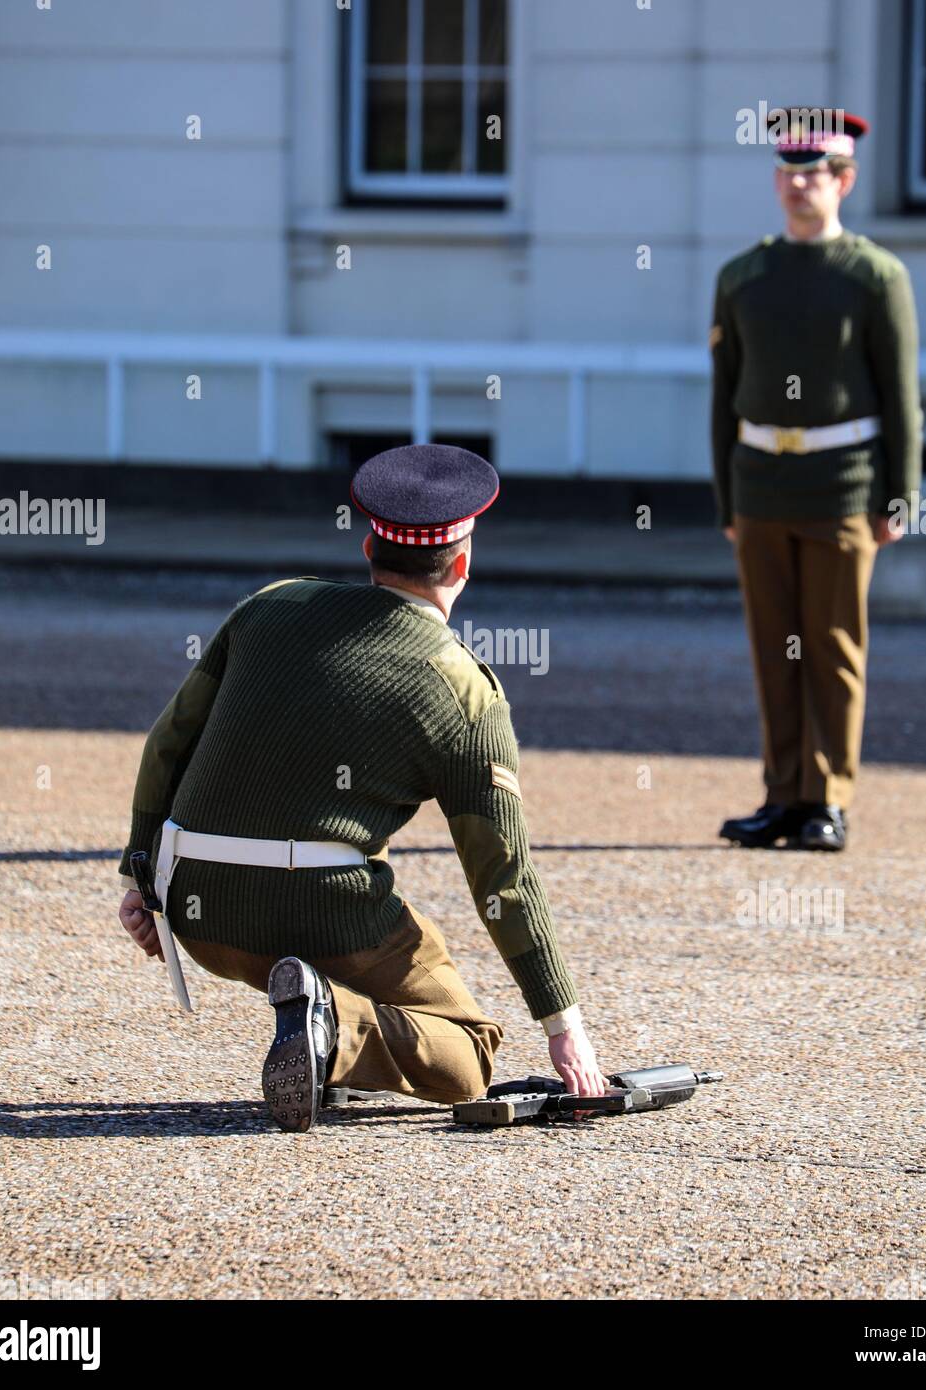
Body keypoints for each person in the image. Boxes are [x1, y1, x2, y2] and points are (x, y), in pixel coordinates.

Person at [117, 443, 607, 1130]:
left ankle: (321, 1025)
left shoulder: (270, 607)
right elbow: (502, 876)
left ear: (369, 546)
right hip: (323, 915)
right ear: (462, 564)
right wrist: (562, 1023)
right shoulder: (465, 691)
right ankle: (334, 1029)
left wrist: (141, 878)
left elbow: (168, 742)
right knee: (467, 1055)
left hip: (199, 914)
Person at [711, 108, 922, 852]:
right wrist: (727, 498)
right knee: (775, 647)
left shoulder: (874, 275)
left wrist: (899, 496)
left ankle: (825, 799)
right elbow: (724, 394)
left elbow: (899, 395)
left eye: (815, 173)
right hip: (760, 484)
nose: (799, 185)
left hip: (842, 485)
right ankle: (781, 796)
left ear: (844, 181)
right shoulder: (743, 276)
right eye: (788, 172)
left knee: (831, 647)